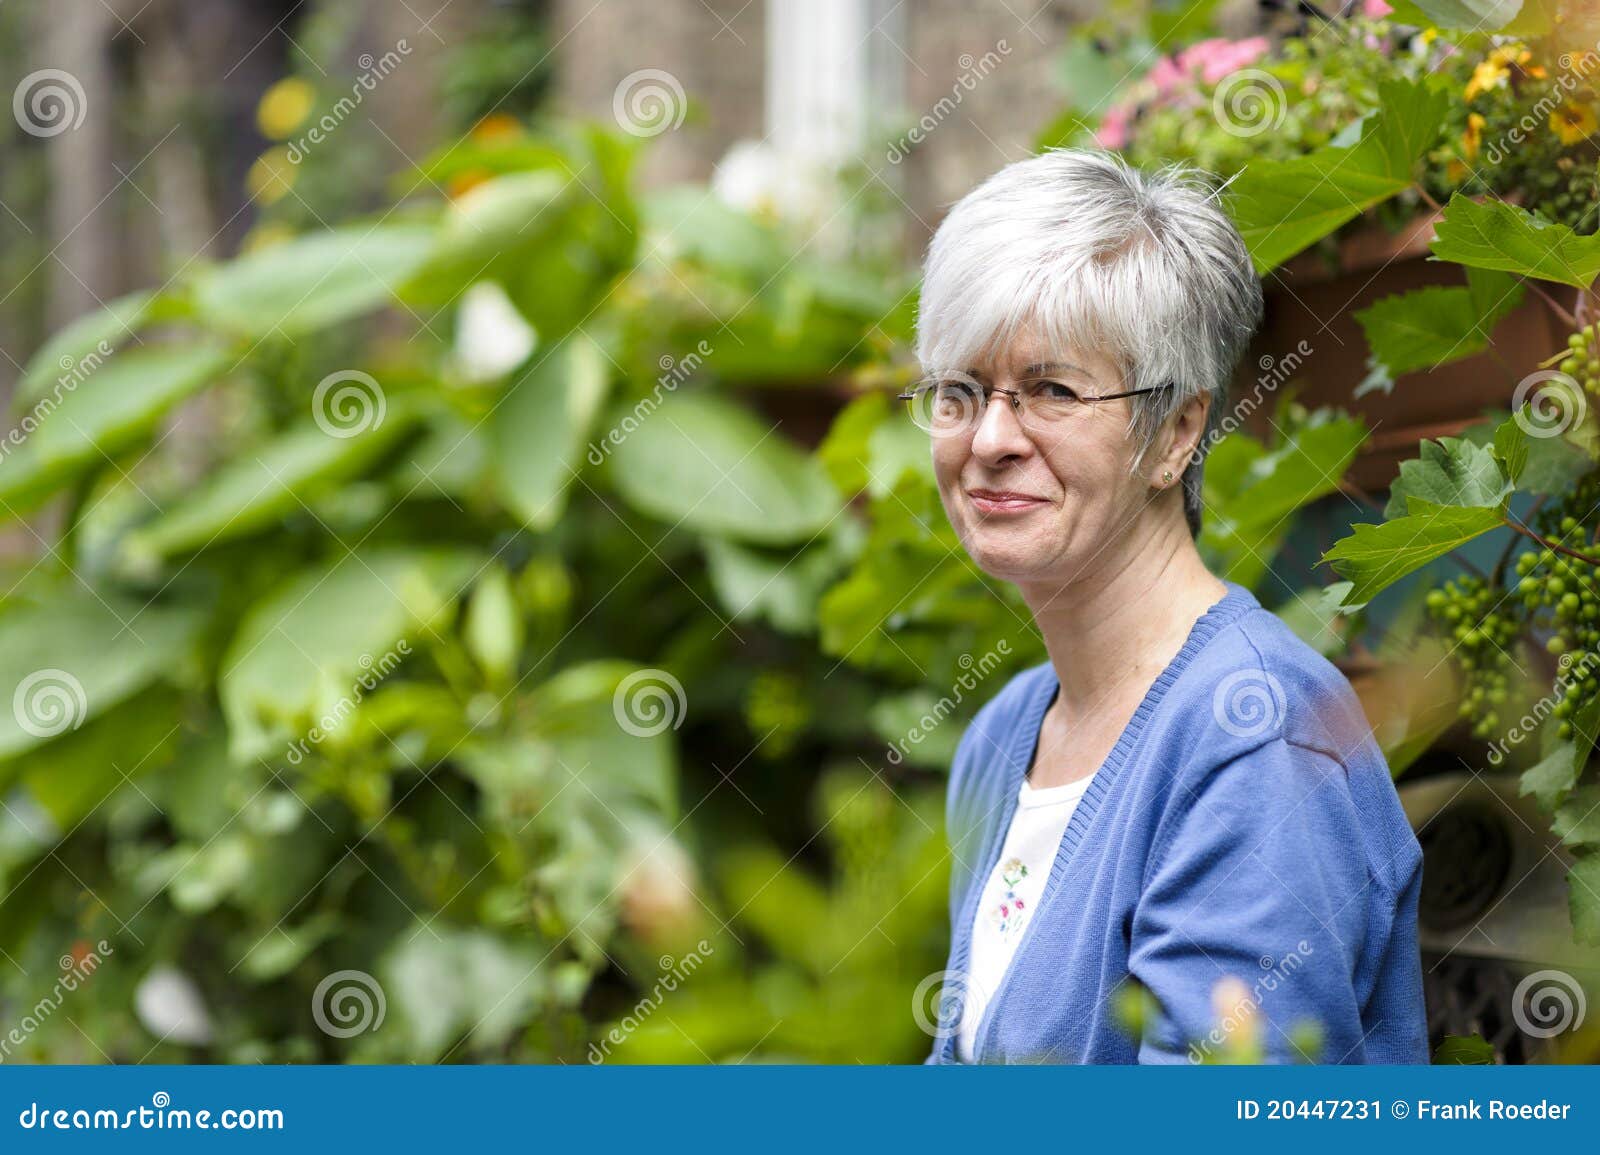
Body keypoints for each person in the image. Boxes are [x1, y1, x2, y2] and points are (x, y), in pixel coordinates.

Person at [907, 149, 1428, 1064]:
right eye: (960, 392)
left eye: (1051, 391)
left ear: (1176, 433)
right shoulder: (1002, 737)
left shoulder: (1257, 737)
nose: (989, 439)